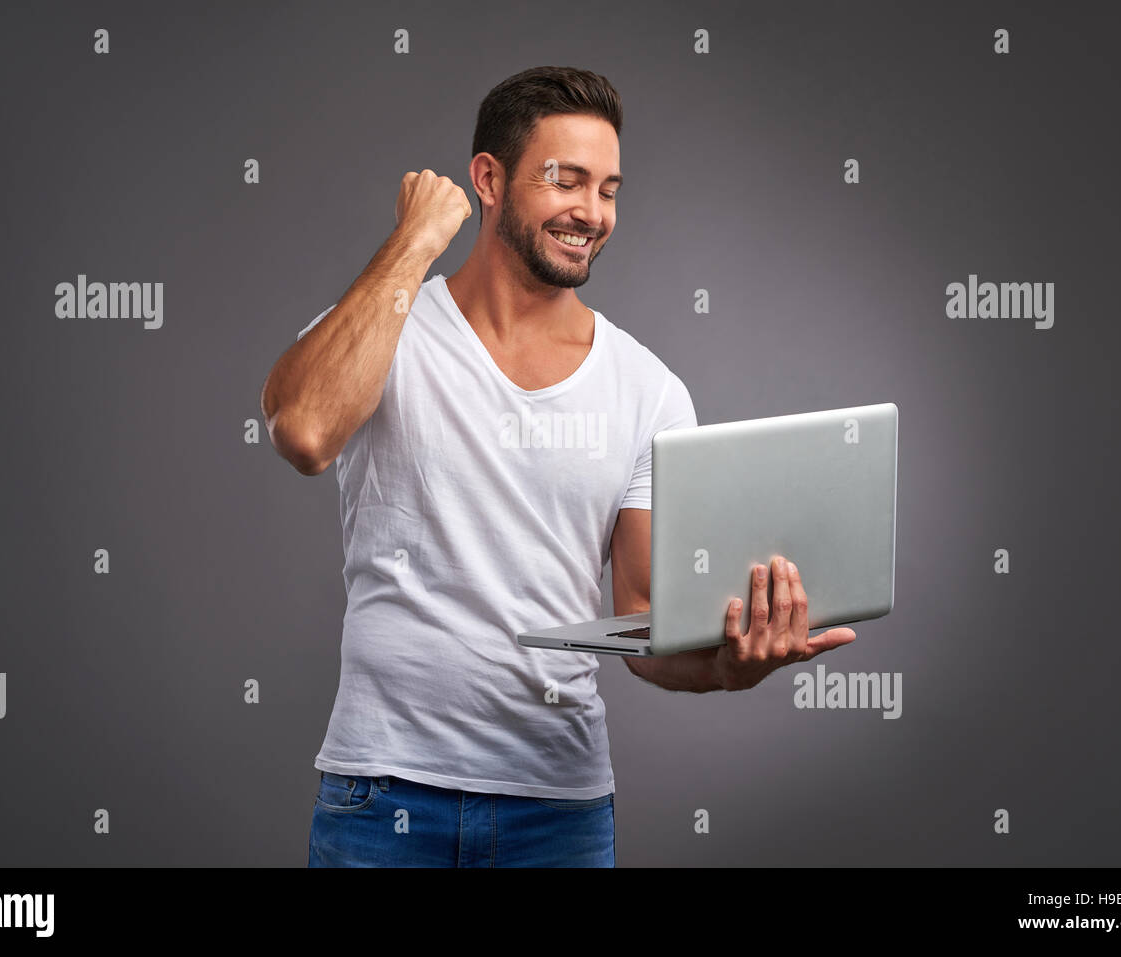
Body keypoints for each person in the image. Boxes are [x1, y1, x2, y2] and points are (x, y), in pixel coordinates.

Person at [259, 66, 857, 867]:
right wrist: (413, 242)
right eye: (565, 180)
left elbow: (643, 618)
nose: (592, 212)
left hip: (559, 812)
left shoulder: (648, 390)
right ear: (488, 181)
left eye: (609, 188)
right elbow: (303, 431)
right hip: (383, 796)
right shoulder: (385, 331)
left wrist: (727, 665)